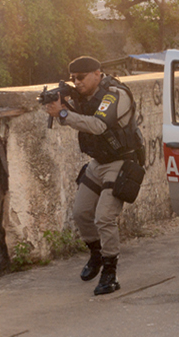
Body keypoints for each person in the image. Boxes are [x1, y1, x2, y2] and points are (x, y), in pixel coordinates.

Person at [41, 56, 147, 295]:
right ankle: (96, 255)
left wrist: (64, 114)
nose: (76, 82)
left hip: (121, 161)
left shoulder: (113, 94)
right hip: (98, 162)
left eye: (81, 77)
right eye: (73, 78)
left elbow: (98, 126)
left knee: (104, 217)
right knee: (81, 212)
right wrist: (63, 107)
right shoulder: (85, 97)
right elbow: (77, 121)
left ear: (97, 74)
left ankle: (110, 272)